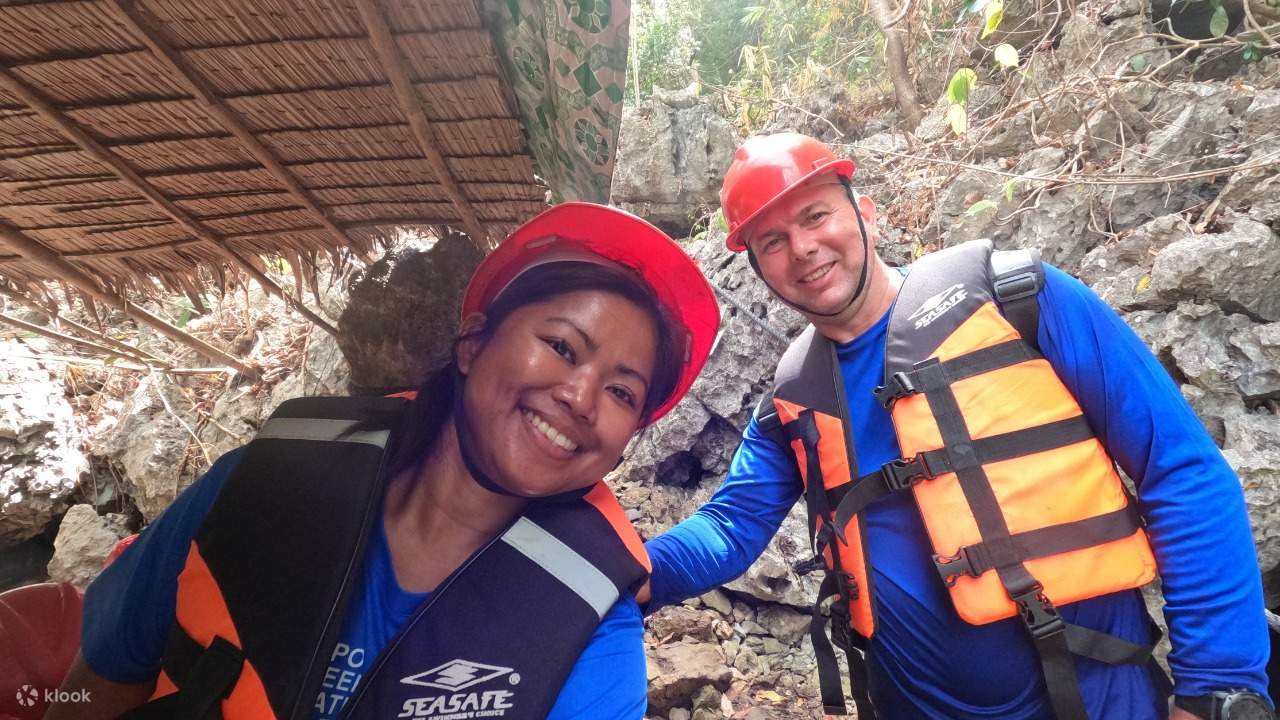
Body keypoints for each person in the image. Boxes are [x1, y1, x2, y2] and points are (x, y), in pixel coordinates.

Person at [643, 133, 1273, 720]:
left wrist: (1217, 681)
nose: (802, 248)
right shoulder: (793, 399)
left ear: (866, 212)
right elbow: (729, 528)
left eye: (815, 216)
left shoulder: (1015, 297)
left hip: (1092, 693)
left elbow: (1181, 467)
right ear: (756, 268)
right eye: (771, 241)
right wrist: (617, 576)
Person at [47, 202, 719, 720]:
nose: (579, 397)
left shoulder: (592, 635)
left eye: (621, 391)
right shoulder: (256, 488)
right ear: (472, 344)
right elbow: (98, 681)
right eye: (563, 347)